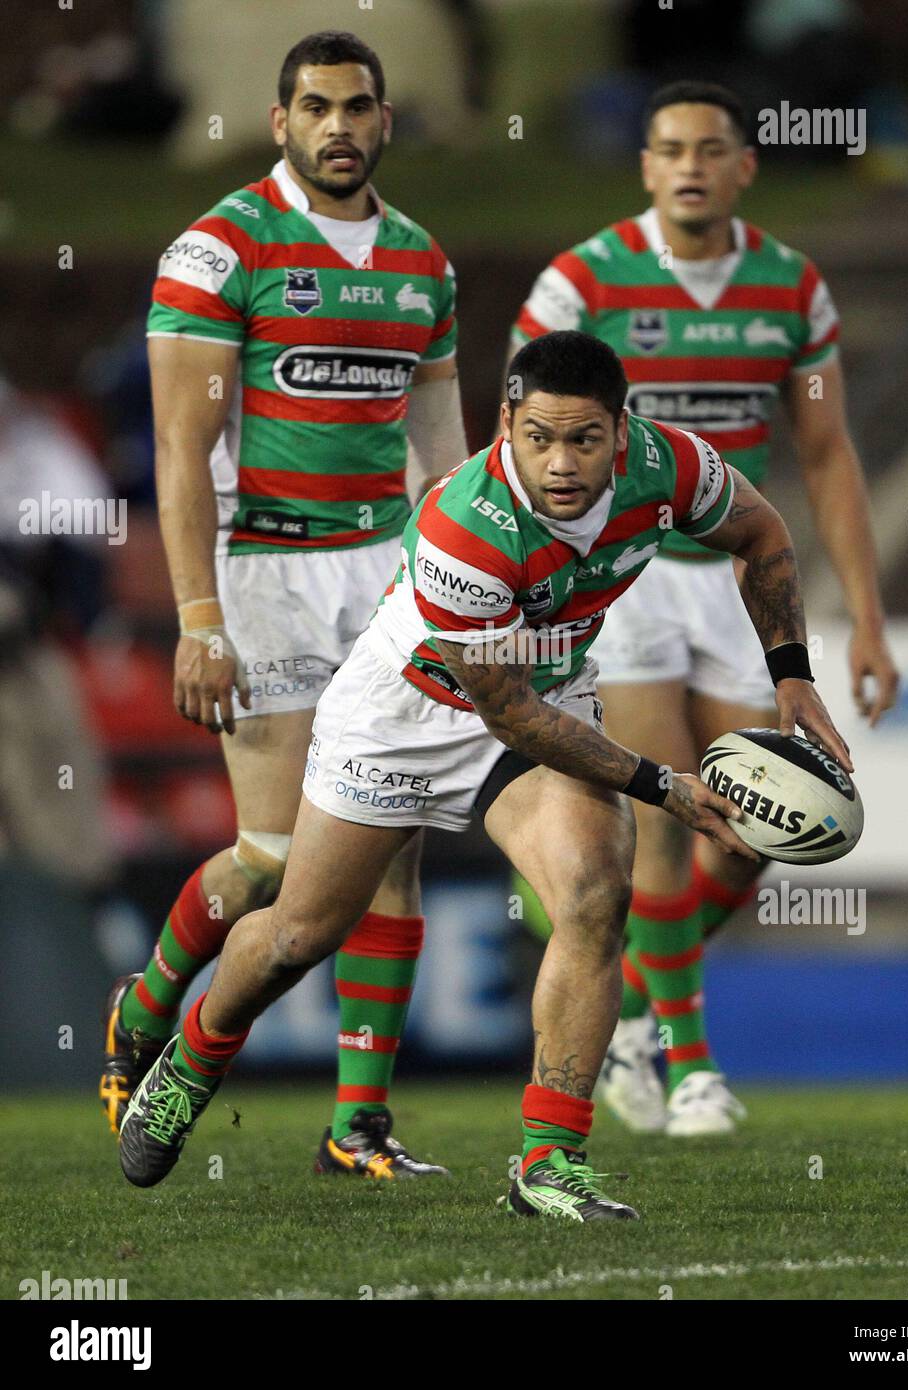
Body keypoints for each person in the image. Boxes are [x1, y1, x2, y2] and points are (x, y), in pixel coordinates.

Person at [118, 330, 852, 1222]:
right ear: (505, 423)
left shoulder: (672, 468)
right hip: (406, 715)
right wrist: (664, 786)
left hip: (543, 698)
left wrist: (793, 675)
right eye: (538, 437)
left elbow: (762, 533)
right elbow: (509, 715)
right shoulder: (469, 522)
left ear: (624, 433)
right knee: (298, 936)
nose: (561, 462)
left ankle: (549, 1158)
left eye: (585, 438)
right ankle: (191, 1059)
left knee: (592, 891)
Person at [100, 30, 467, 1179]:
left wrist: (464, 594)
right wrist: (196, 615)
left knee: (391, 854)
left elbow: (442, 450)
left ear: (385, 121)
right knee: (268, 857)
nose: (339, 127)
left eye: (358, 107)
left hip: (384, 576)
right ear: (280, 123)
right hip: (259, 570)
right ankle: (147, 1003)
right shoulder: (221, 249)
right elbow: (177, 448)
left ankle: (356, 1126)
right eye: (316, 107)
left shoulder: (421, 265)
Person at [509, 81, 897, 1137]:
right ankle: (688, 1069)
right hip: (621, 572)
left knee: (762, 827)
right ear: (643, 166)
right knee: (669, 816)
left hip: (735, 570)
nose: (687, 164)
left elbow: (824, 451)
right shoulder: (579, 281)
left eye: (708, 147)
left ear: (742, 167)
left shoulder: (790, 287)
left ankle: (635, 1010)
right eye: (667, 147)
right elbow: (515, 434)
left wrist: (861, 616)